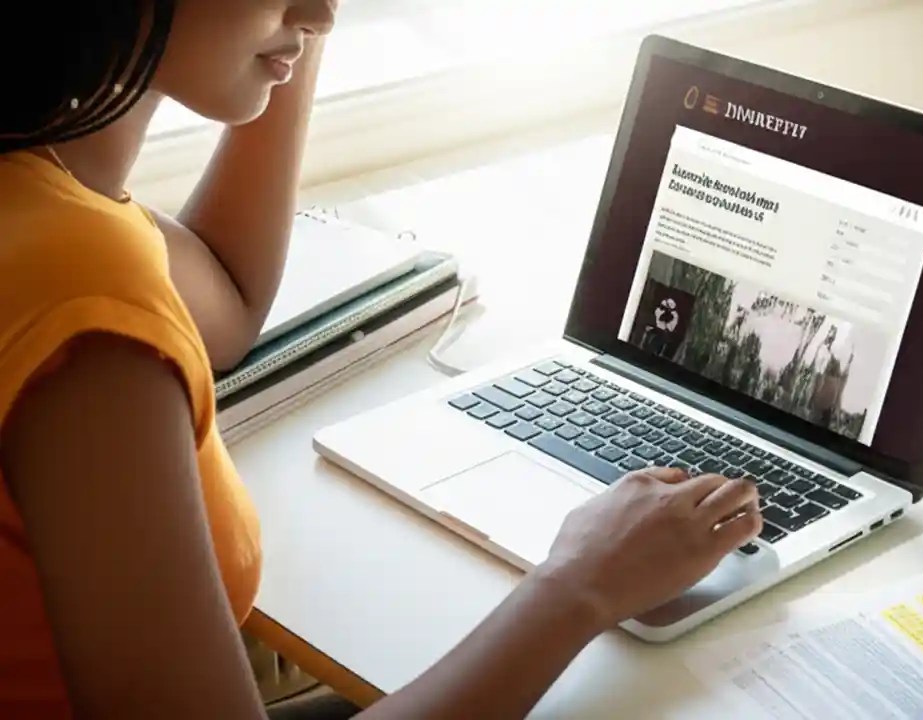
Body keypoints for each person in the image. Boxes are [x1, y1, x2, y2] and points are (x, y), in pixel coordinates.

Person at [0, 2, 763, 718]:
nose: (321, 14)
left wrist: (285, 47)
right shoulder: (84, 295)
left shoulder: (41, 187)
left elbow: (223, 298)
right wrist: (583, 585)